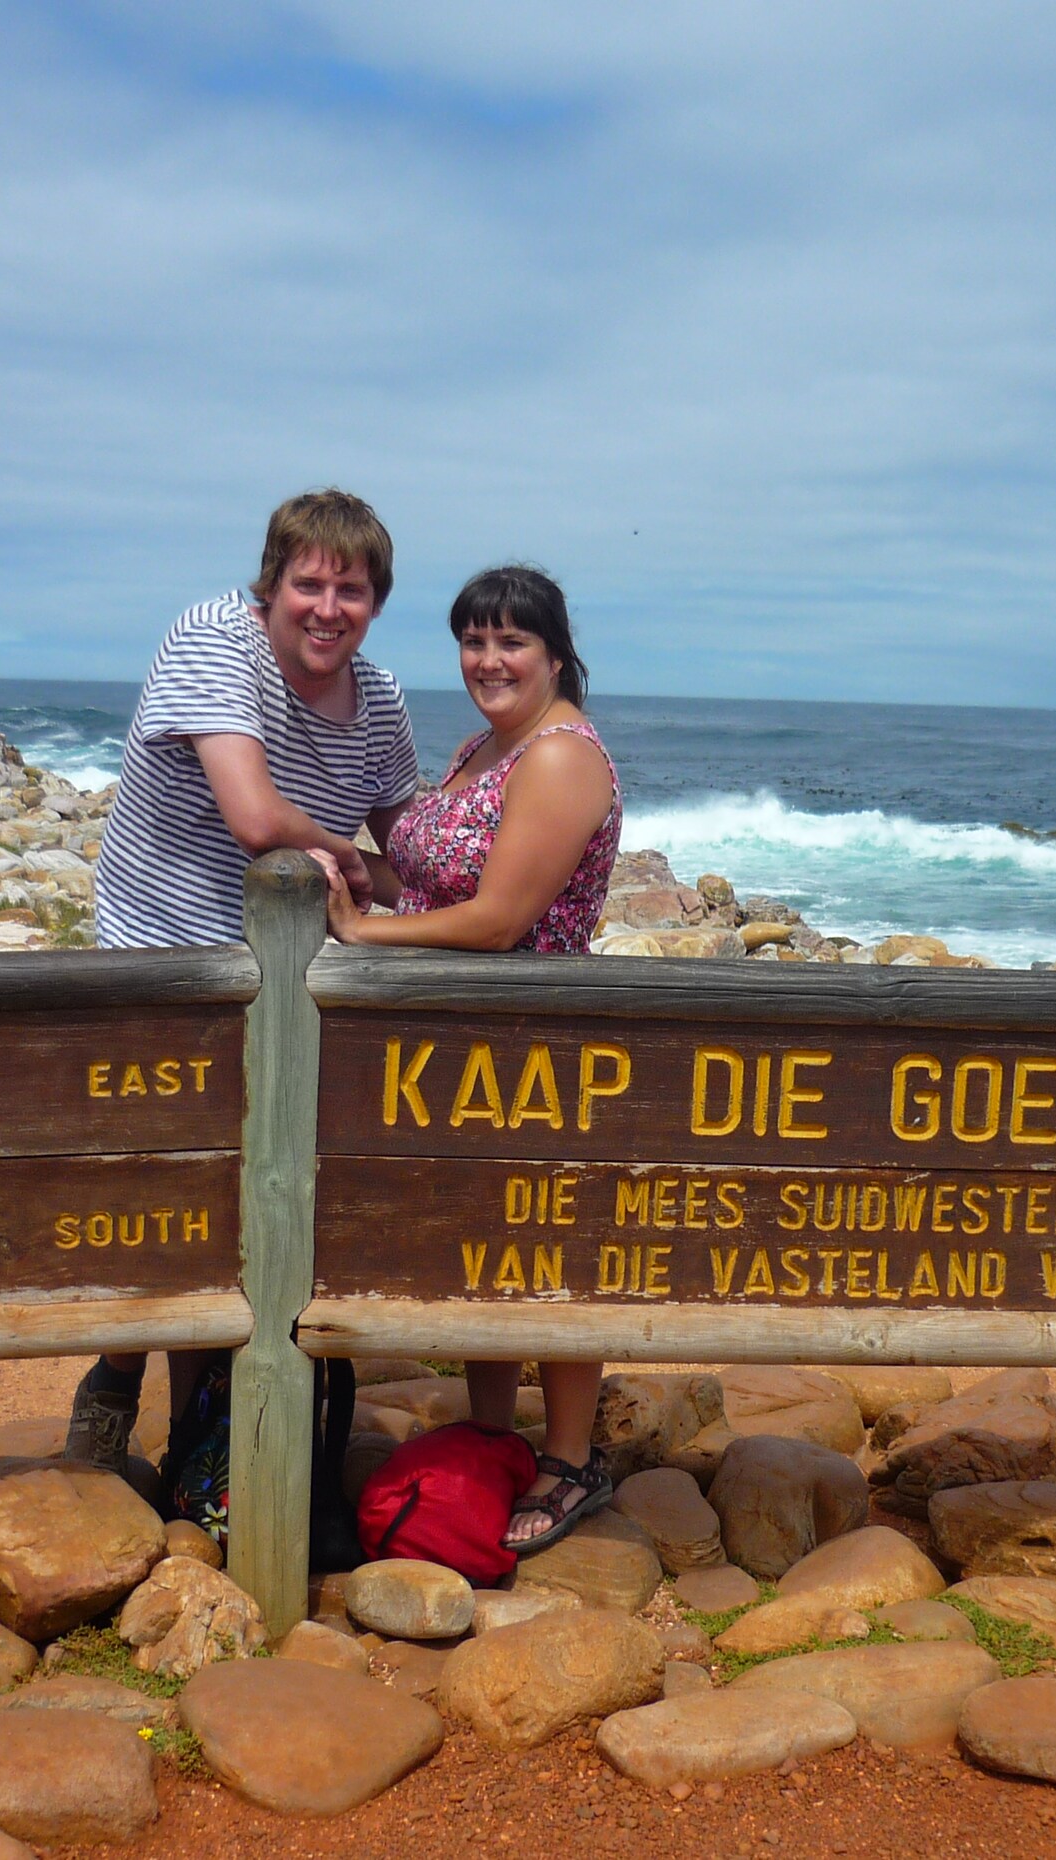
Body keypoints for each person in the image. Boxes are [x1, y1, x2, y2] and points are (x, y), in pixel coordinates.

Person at [66, 489, 420, 1523]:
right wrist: (364, 871)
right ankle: (119, 1373)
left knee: (242, 1198)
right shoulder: (214, 636)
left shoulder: (382, 700)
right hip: (158, 953)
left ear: (375, 602)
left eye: (349, 589)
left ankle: (195, 1454)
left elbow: (412, 847)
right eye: (307, 582)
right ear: (270, 583)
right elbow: (256, 816)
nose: (325, 605)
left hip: (275, 970)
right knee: (168, 1184)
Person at [311, 563, 621, 1552]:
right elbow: (433, 870)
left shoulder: (561, 757)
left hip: (533, 1045)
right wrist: (334, 847)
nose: (488, 659)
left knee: (549, 1252)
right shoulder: (483, 747)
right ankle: (494, 1438)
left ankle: (573, 1459)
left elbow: (496, 919)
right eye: (473, 640)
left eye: (510, 642)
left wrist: (362, 936)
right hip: (465, 1048)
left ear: (554, 653)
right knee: (487, 1247)